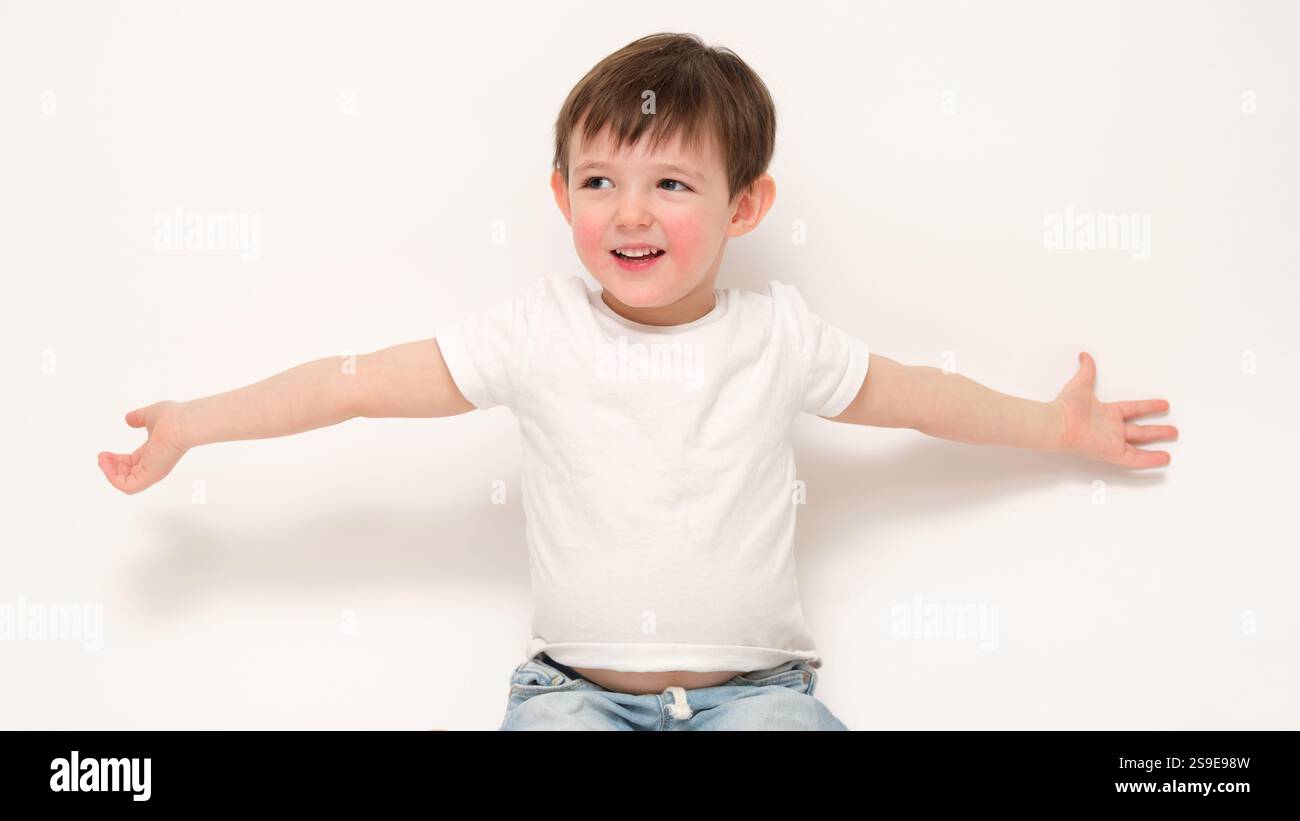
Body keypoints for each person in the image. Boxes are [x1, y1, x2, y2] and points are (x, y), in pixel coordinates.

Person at [98, 32, 1178, 730]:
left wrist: (1052, 424)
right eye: (601, 180)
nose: (628, 212)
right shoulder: (534, 331)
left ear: (744, 206)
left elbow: (919, 398)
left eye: (670, 183)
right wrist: (198, 420)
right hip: (572, 694)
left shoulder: (779, 337)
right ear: (560, 190)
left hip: (757, 696)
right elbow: (351, 384)